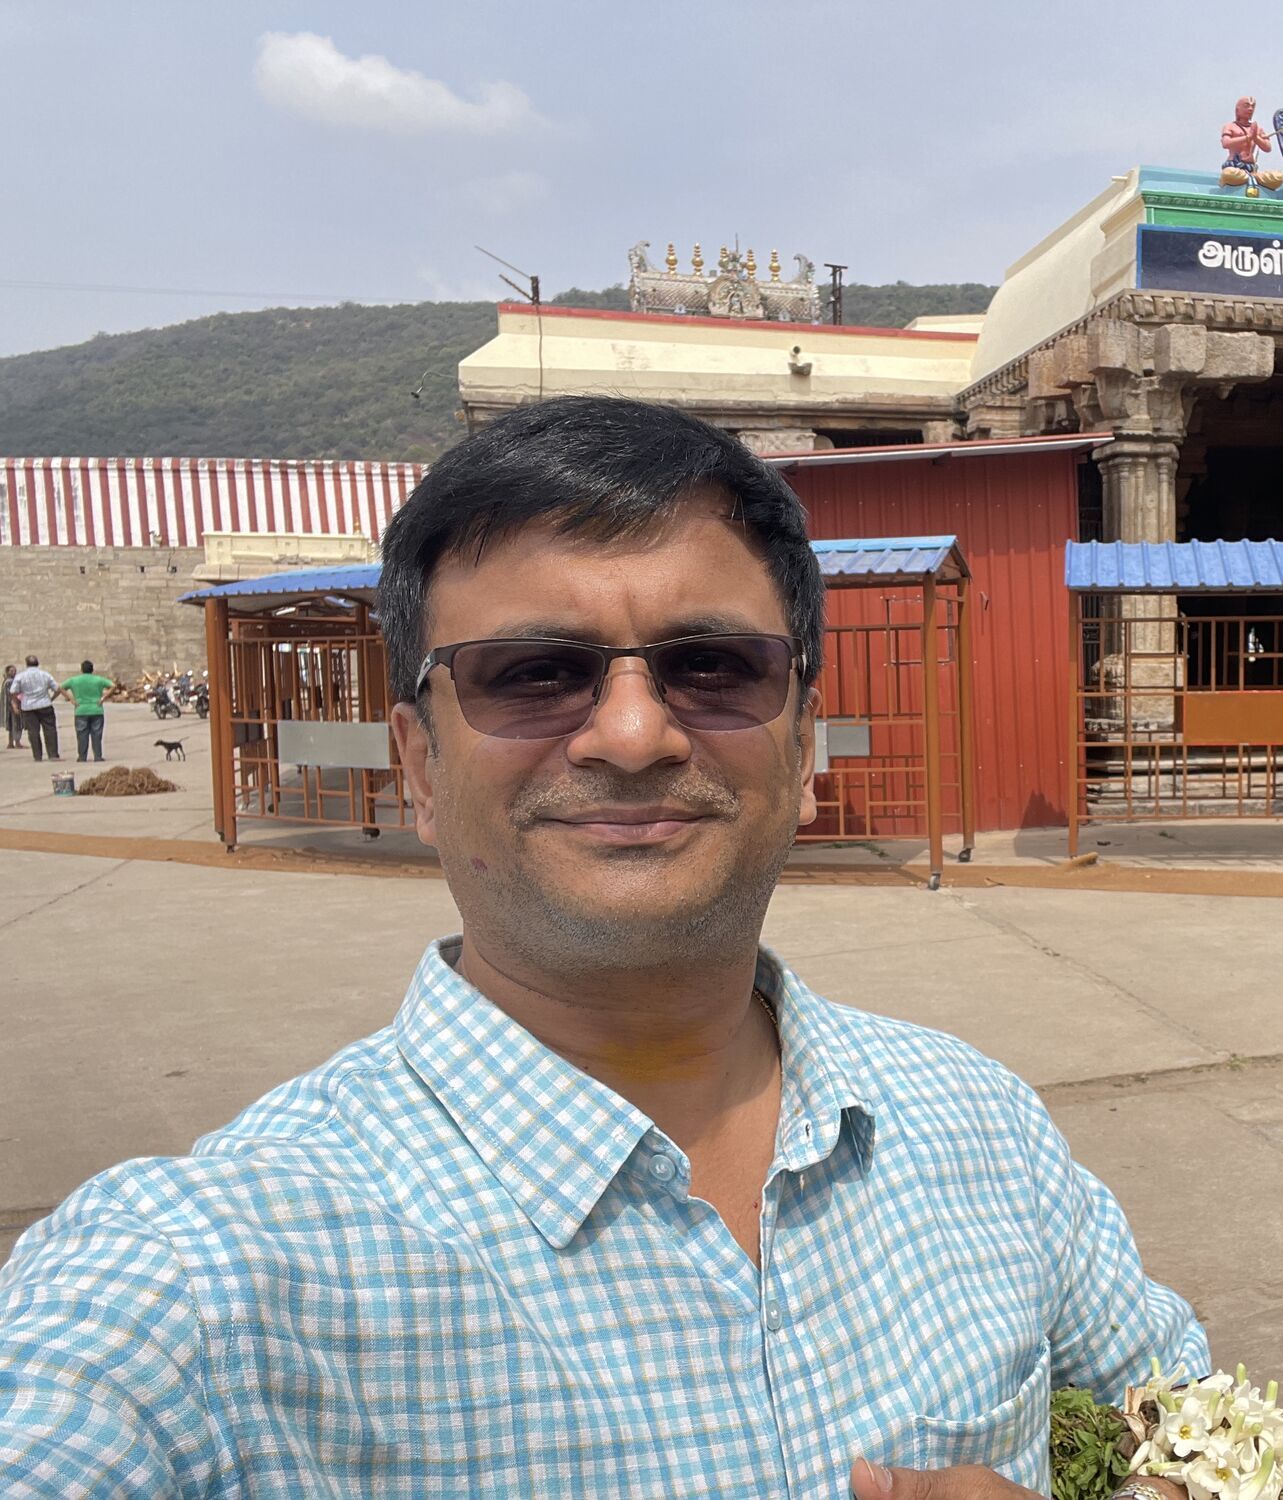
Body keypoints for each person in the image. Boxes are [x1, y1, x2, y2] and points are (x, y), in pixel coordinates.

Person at [0, 397, 1205, 1499]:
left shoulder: (979, 1126)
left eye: (713, 666)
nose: (632, 735)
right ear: (417, 765)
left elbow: (1196, 1436)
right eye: (532, 674)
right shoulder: (202, 1281)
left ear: (802, 748)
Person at [59, 658, 114, 763]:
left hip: (81, 710)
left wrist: (72, 699)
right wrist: (103, 698)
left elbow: (61, 687)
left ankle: (82, 757)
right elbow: (113, 686)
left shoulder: (74, 680)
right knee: (97, 735)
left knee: (82, 735)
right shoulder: (98, 680)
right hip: (96, 710)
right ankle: (98, 756)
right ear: (92, 669)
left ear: (81, 669)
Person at [8, 655, 59, 762]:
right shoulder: (45, 674)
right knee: (50, 729)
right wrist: (51, 698)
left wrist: (15, 704)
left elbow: (13, 692)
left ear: (26, 664)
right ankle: (53, 754)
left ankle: (37, 756)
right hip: (45, 704)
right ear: (37, 663)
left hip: (28, 707)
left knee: (33, 731)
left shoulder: (21, 676)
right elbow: (57, 688)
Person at [2, 665, 21, 749]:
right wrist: (15, 705)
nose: (14, 672)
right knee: (16, 723)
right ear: (7, 672)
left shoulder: (6, 681)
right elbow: (12, 695)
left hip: (8, 707)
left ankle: (11, 743)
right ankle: (17, 742)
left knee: (11, 725)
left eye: (14, 670)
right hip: (13, 706)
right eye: (11, 671)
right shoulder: (10, 682)